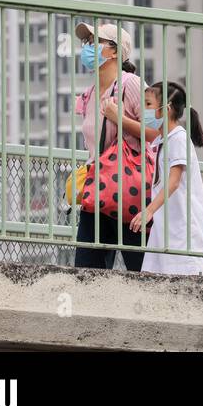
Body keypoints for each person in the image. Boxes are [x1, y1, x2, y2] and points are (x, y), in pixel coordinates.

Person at [71, 22, 149, 271]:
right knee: (87, 271)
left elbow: (159, 132)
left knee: (140, 271)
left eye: (95, 42)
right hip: (97, 188)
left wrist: (120, 119)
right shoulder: (90, 93)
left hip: (129, 188)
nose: (87, 48)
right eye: (86, 43)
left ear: (115, 51)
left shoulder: (131, 84)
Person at [127, 81, 203, 276]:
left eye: (148, 104)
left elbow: (174, 181)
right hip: (165, 225)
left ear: (165, 108)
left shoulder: (179, 138)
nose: (143, 109)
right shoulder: (164, 140)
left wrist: (148, 211)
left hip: (182, 228)